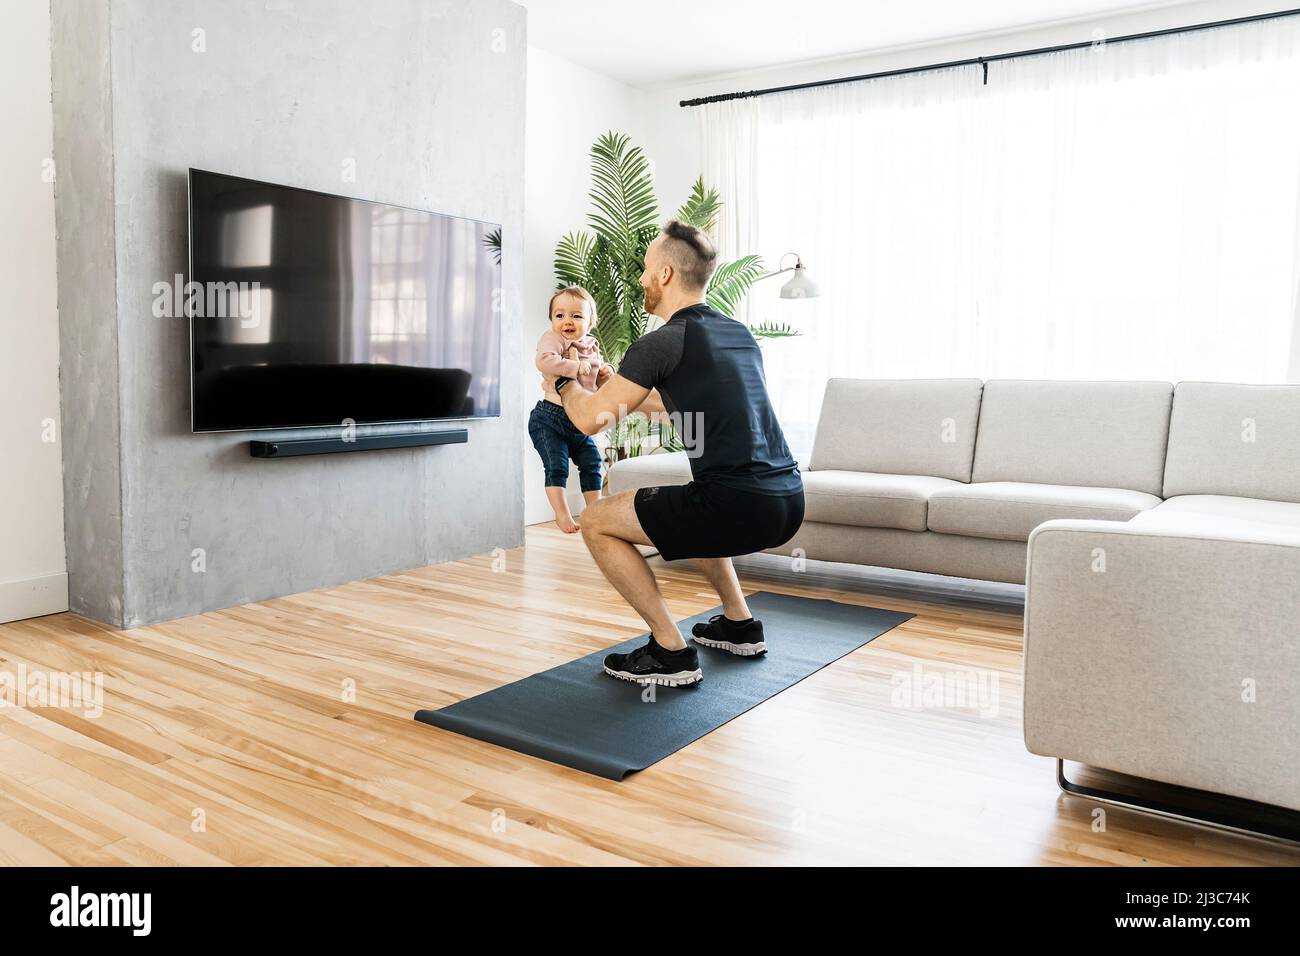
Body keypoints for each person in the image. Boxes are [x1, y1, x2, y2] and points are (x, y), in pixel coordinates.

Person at [548, 220, 804, 687]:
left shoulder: (661, 341)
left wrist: (563, 384)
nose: (641, 279)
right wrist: (614, 387)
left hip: (736, 504)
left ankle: (670, 652)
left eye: (646, 270)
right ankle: (740, 625)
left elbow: (587, 422)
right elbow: (675, 406)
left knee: (596, 520)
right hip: (786, 500)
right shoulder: (736, 333)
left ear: (665, 275)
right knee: (695, 502)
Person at [528, 286, 614, 533]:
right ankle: (562, 514)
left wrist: (604, 374)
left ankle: (594, 511)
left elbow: (592, 383)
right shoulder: (554, 339)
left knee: (592, 462)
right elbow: (543, 361)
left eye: (576, 316)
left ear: (590, 321)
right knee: (557, 466)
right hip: (549, 418)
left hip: (580, 420)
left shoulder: (592, 346)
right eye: (560, 315)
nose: (567, 321)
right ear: (552, 320)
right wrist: (574, 367)